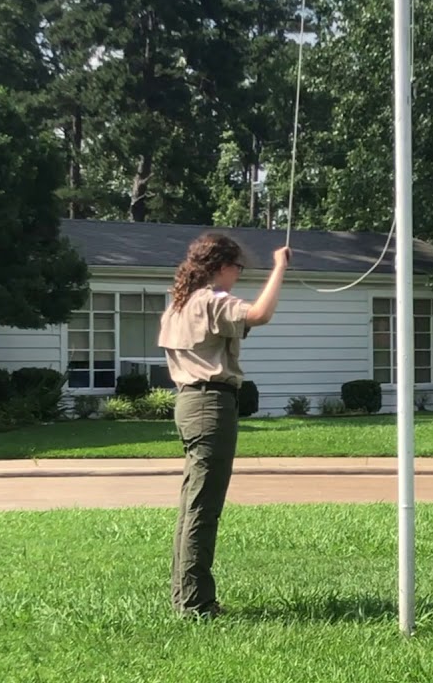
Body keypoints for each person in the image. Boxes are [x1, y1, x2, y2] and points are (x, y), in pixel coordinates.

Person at [158, 233, 289, 619]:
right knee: (203, 507)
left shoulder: (178, 305)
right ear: (220, 267)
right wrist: (279, 266)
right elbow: (258, 315)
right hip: (211, 404)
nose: (238, 276)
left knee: (193, 505)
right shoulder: (212, 301)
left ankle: (186, 596)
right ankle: (196, 604)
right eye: (238, 269)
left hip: (187, 403)